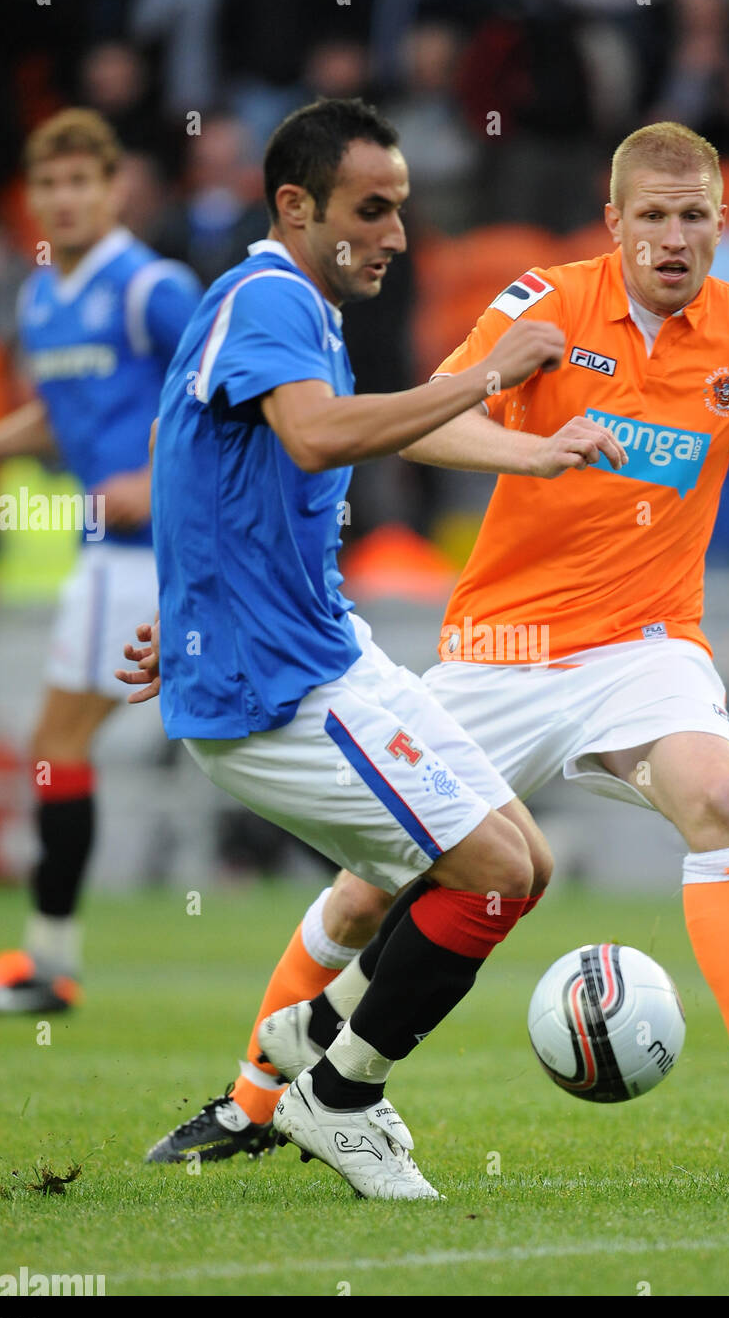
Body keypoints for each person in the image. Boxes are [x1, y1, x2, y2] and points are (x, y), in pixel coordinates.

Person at [146, 120, 729, 1173]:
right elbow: (425, 420)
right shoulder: (546, 303)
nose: (675, 238)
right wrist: (533, 452)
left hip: (647, 644)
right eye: (653, 217)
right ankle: (252, 1096)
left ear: (724, 224)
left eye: (695, 217)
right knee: (382, 884)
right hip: (502, 647)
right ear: (615, 223)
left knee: (723, 799)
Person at [121, 96, 620, 1200]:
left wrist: (197, 599)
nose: (398, 233)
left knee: (520, 862)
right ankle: (340, 1095)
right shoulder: (269, 297)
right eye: (374, 208)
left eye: (402, 207)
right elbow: (310, 432)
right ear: (295, 206)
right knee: (487, 874)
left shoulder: (291, 305)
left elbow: (192, 448)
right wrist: (492, 375)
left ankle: (317, 1042)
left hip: (313, 652)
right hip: (281, 690)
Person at [0, 108, 201, 1014]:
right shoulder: (43, 296)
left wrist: (156, 480)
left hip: (153, 554)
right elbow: (61, 412)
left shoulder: (152, 287)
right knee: (62, 749)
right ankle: (47, 961)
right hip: (106, 554)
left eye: (82, 181)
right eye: (49, 184)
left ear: (115, 187)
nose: (65, 198)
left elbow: (228, 393)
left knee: (59, 747)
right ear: (32, 197)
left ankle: (48, 965)